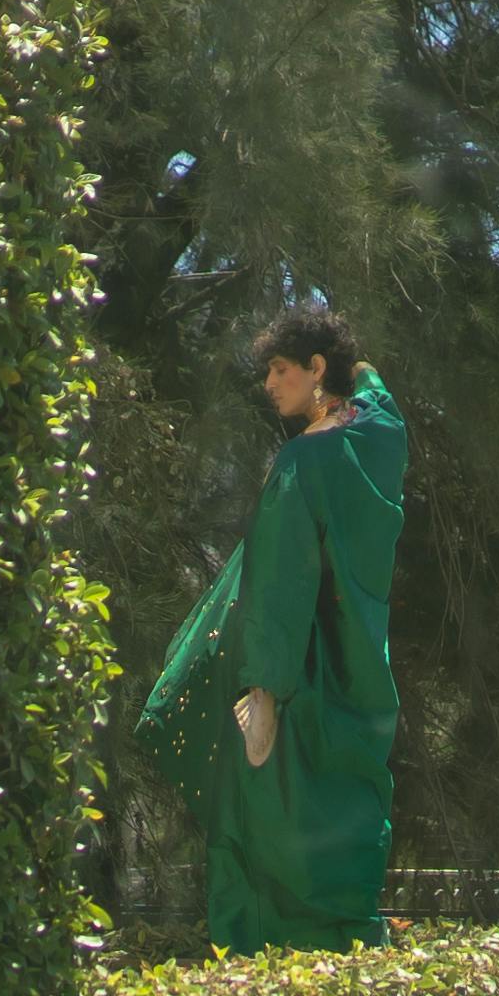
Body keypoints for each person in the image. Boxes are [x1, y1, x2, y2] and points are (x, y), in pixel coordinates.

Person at [137, 302, 409, 952]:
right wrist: (345, 364)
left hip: (303, 676)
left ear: (317, 369)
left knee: (264, 818)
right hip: (361, 669)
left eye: (282, 370)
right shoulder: (378, 433)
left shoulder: (299, 467)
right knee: (344, 802)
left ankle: (271, 965)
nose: (268, 386)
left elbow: (279, 591)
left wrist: (263, 694)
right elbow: (372, 384)